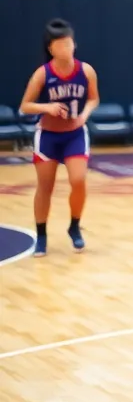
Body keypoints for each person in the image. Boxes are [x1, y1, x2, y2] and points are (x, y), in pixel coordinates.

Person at [19, 19, 99, 257]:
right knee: (45, 186)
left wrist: (84, 114)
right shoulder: (42, 74)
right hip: (48, 137)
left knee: (78, 180)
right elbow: (25, 106)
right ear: (51, 49)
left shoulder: (86, 71)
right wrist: (48, 107)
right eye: (61, 44)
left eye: (70, 43)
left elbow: (94, 98)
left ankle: (74, 226)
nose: (67, 48)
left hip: (74, 134)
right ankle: (41, 235)